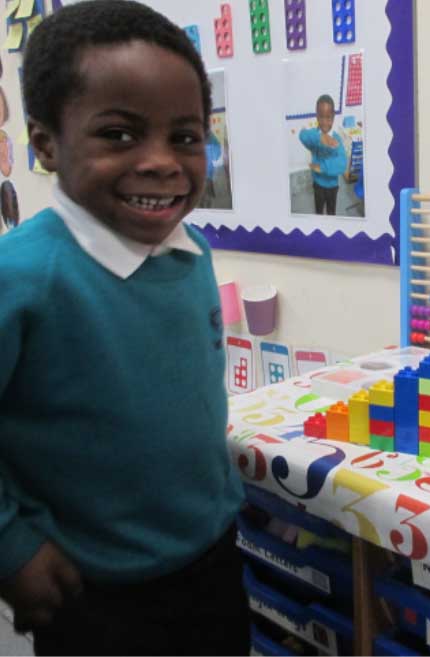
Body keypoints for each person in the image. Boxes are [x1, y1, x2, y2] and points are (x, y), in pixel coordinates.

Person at [0, 1, 249, 654]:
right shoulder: (21, 276)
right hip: (93, 591)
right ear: (46, 143)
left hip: (213, 558)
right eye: (118, 134)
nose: (162, 162)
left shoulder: (192, 250)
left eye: (185, 137)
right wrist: (11, 545)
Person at [298, 94, 346, 215]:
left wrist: (322, 167)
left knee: (331, 212)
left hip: (332, 186)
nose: (324, 122)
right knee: (318, 211)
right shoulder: (314, 134)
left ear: (333, 117)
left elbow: (342, 163)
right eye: (321, 117)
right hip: (318, 184)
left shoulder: (336, 139)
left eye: (328, 118)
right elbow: (302, 135)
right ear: (317, 116)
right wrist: (320, 137)